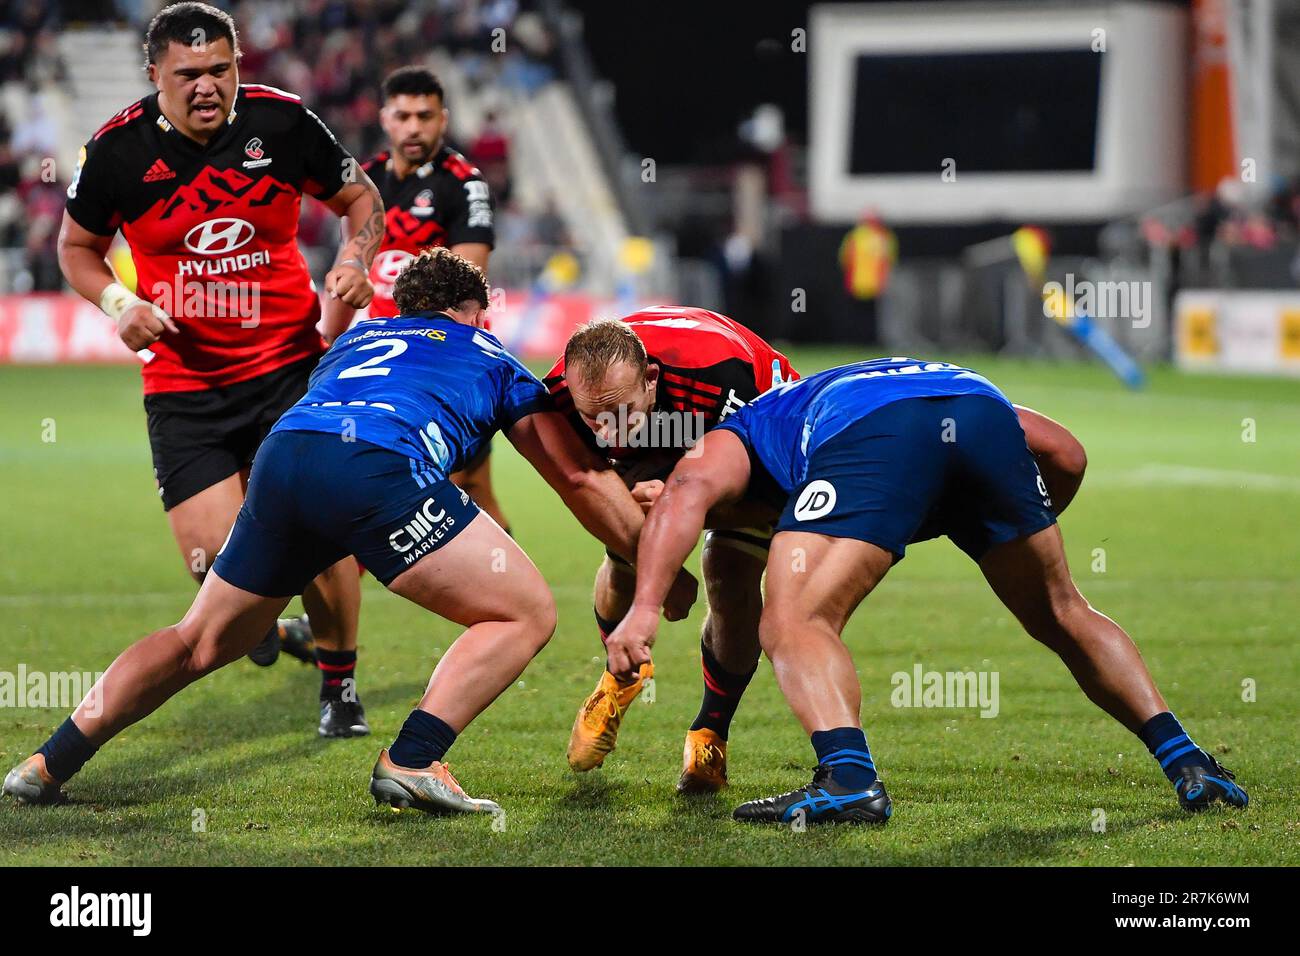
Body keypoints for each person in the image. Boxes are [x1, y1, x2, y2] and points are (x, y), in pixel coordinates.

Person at [3, 248, 697, 814]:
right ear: (474, 313)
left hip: (287, 455)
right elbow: (575, 476)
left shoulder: (359, 339)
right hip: (377, 466)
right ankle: (414, 759)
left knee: (202, 638)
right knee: (523, 612)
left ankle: (48, 761)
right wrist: (659, 562)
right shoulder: (490, 356)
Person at [604, 358, 1248, 823]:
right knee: (1063, 609)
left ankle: (848, 778)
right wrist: (1004, 527)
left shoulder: (735, 434)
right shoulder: (820, 395)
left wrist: (643, 611)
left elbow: (687, 494)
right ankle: (1189, 763)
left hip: (876, 436)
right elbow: (1067, 454)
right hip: (980, 406)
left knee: (795, 620)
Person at [55, 2, 385, 737]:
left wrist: (356, 257)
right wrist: (118, 301)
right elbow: (75, 249)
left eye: (220, 70)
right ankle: (259, 615)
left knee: (321, 530)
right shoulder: (116, 151)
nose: (207, 86)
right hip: (185, 387)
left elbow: (360, 198)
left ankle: (340, 687)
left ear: (238, 65)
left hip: (288, 368)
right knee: (216, 565)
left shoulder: (283, 123)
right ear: (155, 76)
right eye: (188, 74)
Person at [545, 307, 797, 792]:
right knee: (623, 556)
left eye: (620, 414)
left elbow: (774, 492)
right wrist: (653, 555)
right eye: (591, 418)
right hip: (660, 446)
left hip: (751, 451)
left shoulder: (726, 380)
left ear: (651, 379)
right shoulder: (556, 394)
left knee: (729, 572)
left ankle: (710, 732)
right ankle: (618, 681)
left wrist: (686, 506)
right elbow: (581, 486)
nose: (607, 434)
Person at [324, 66, 511, 532]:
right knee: (369, 481)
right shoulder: (363, 182)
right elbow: (348, 267)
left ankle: (507, 586)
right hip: (377, 355)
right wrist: (330, 336)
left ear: (442, 120)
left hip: (443, 362)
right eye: (403, 115)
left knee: (461, 486)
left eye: (424, 116)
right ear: (384, 118)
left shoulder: (464, 184)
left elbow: (467, 287)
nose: (413, 127)